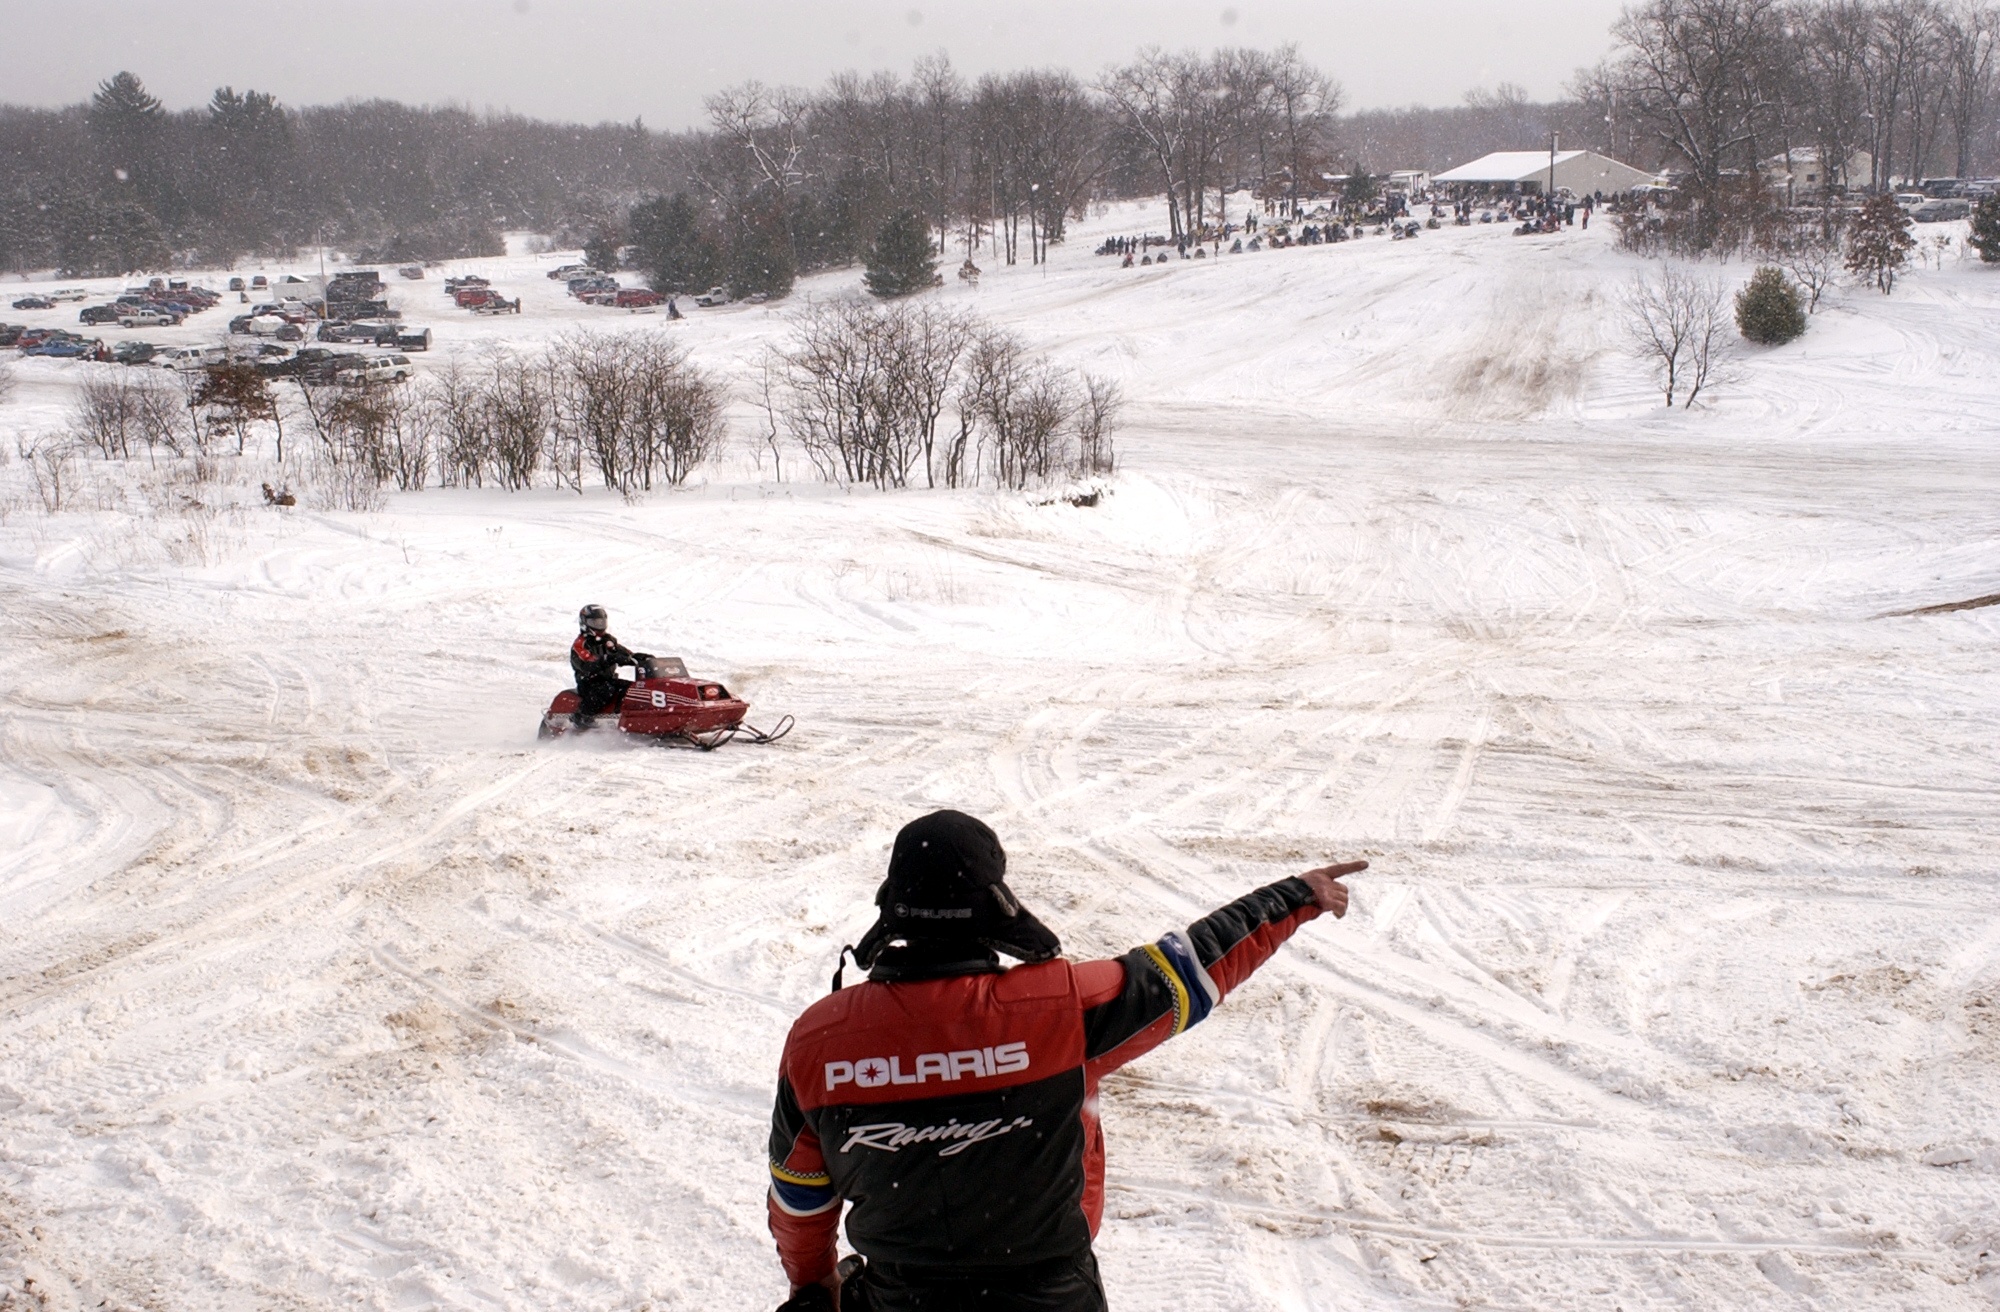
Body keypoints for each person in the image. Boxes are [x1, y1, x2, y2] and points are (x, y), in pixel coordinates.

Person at [767, 809, 1364, 1312]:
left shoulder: (818, 1040)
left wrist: (812, 1282)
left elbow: (800, 1193)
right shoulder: (1061, 1009)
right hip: (1053, 1296)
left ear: (893, 903)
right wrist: (1295, 895)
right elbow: (1193, 967)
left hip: (901, 1298)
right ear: (996, 904)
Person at [568, 604, 639, 727]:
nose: (599, 626)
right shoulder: (580, 644)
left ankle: (628, 719)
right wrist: (608, 659)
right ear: (584, 623)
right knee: (605, 690)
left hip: (608, 679)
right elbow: (588, 665)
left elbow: (623, 653)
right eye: (595, 622)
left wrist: (638, 658)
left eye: (601, 622)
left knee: (631, 688)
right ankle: (582, 717)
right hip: (589, 683)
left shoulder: (608, 640)